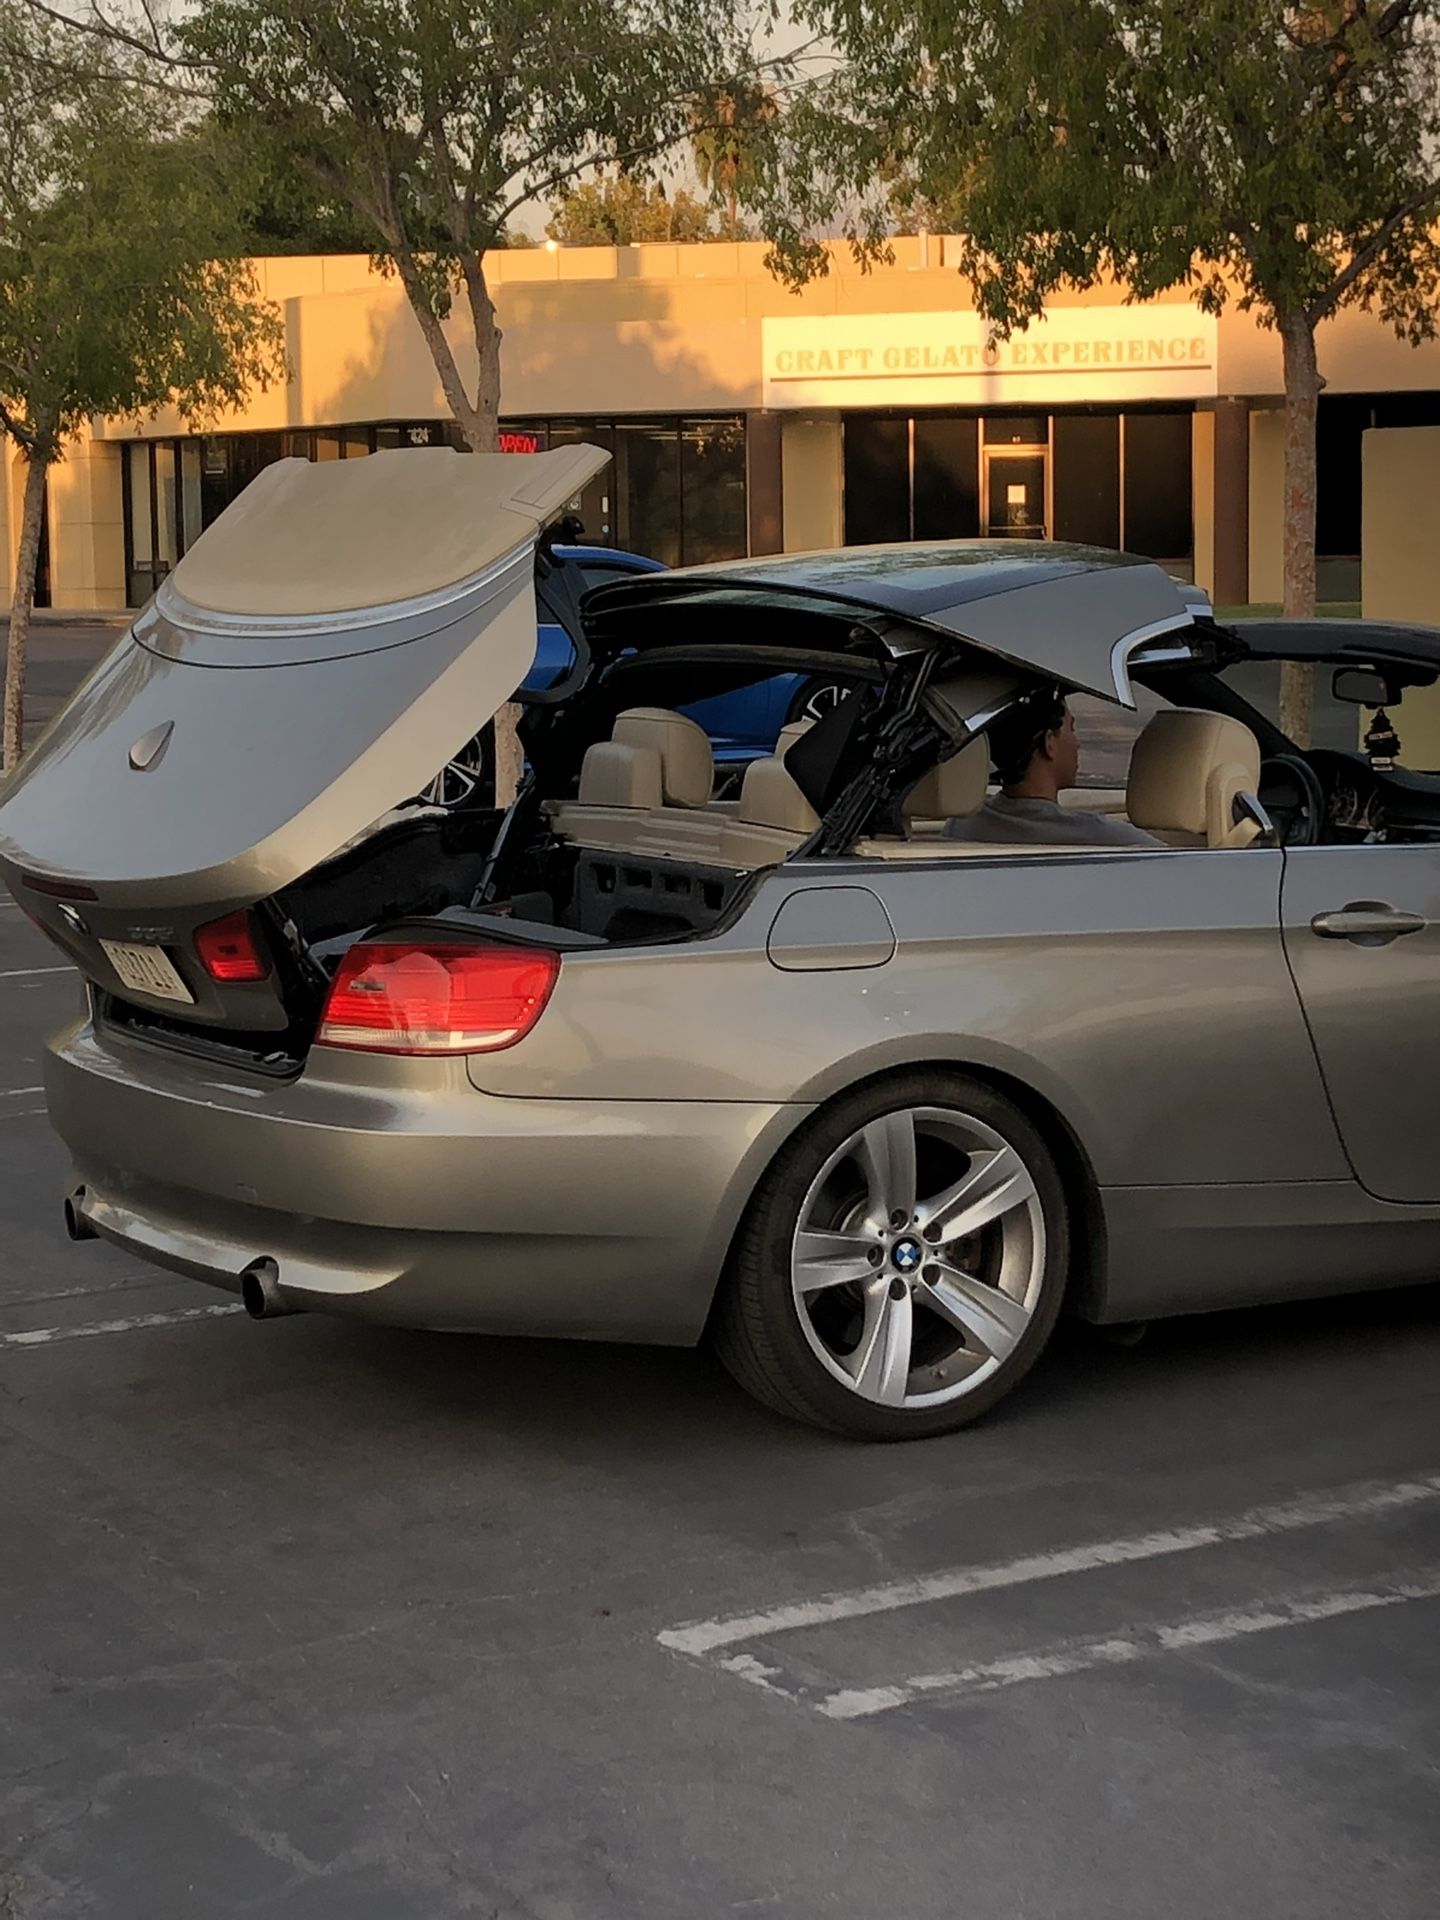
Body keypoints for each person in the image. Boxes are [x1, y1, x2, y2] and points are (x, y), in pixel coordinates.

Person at [945, 685, 1160, 848]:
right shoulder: (1107, 839)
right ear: (1049, 743)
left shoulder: (962, 824)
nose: (1077, 742)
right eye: (1071, 729)